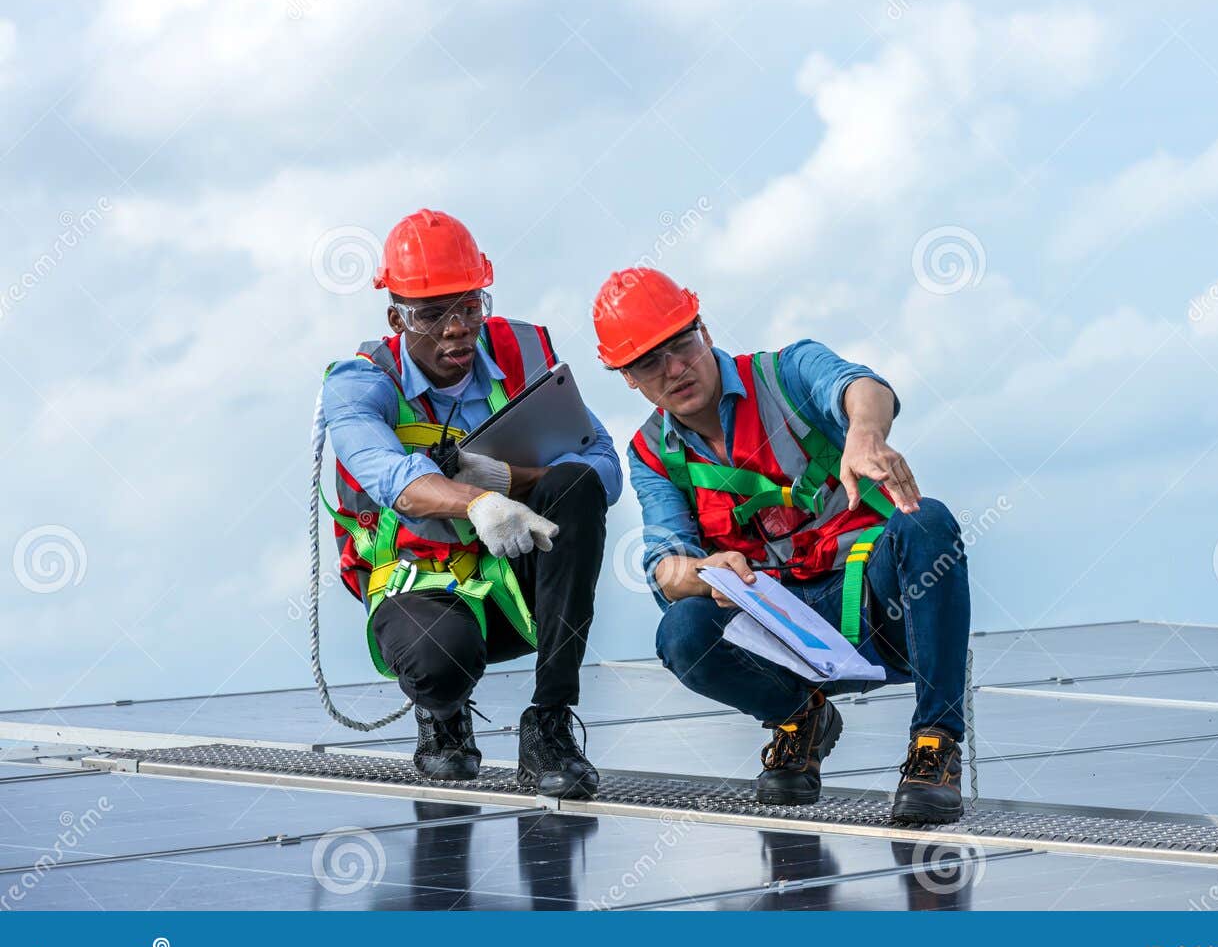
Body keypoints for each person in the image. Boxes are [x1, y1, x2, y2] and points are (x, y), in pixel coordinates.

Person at [593, 268, 970, 824]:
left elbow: (862, 387)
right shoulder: (651, 455)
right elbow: (665, 567)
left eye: (681, 344)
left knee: (926, 520)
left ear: (705, 330)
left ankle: (935, 746)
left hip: (872, 606)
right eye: (649, 362)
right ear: (627, 377)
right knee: (681, 631)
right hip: (779, 634)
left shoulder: (786, 373)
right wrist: (704, 572)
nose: (674, 369)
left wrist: (865, 431)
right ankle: (802, 715)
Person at [323, 209, 620, 796]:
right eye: (431, 314)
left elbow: (603, 470)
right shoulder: (358, 386)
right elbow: (391, 477)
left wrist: (512, 480)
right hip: (417, 581)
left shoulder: (524, 353)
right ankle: (443, 715)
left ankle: (550, 725)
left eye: (469, 307)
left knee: (575, 485)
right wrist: (477, 503)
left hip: (515, 582)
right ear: (396, 317)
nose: (456, 328)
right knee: (440, 664)